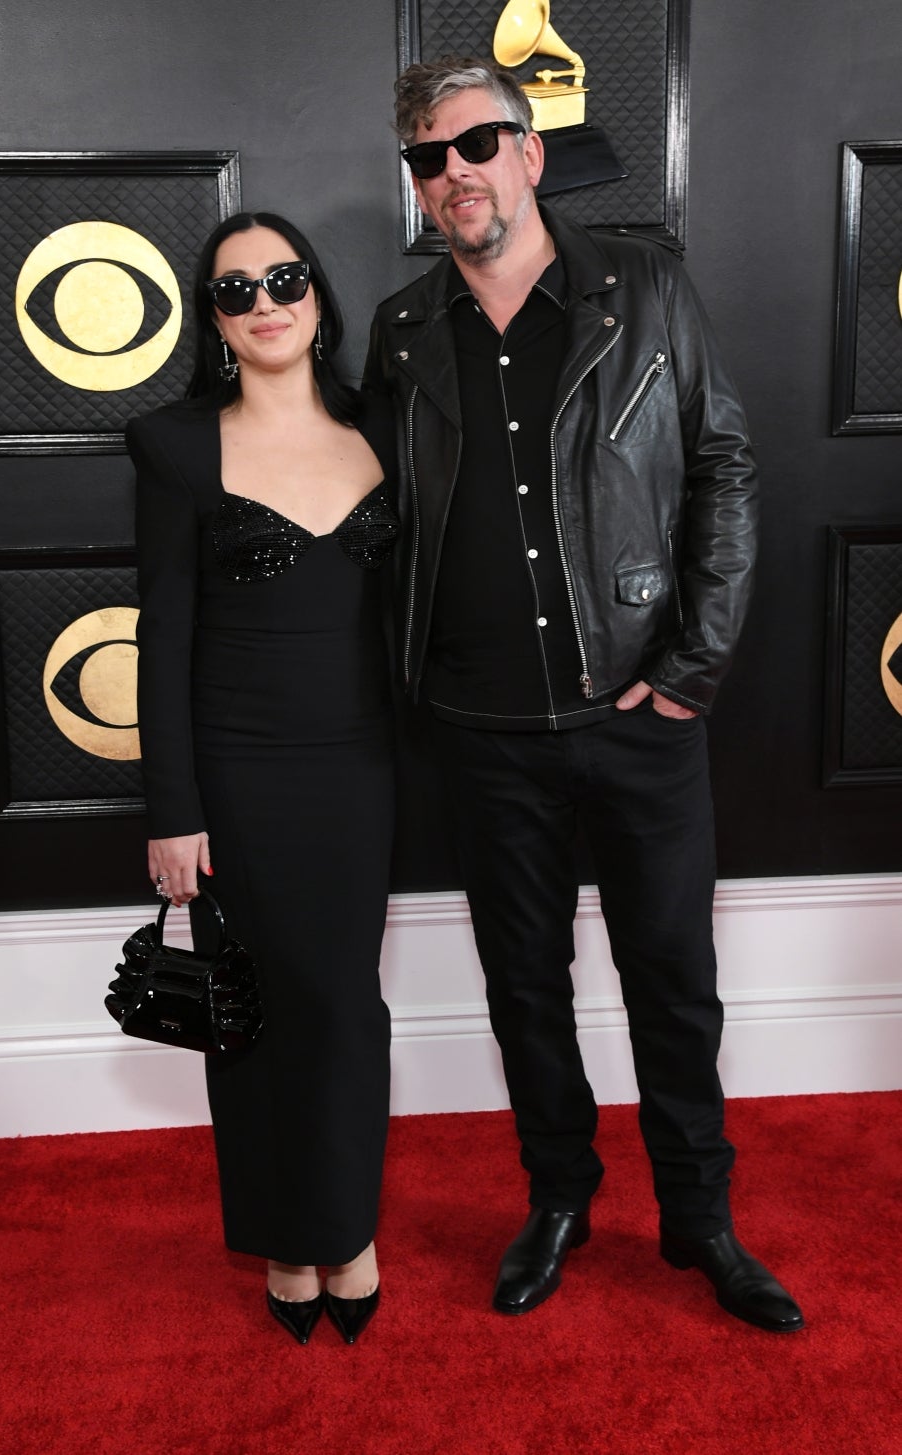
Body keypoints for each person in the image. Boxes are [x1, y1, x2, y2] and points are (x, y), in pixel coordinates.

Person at [365, 58, 804, 1333]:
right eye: (429, 158)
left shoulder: (644, 288)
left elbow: (724, 467)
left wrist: (689, 672)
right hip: (482, 736)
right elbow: (380, 515)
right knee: (524, 990)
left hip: (638, 722)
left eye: (478, 145)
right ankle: (557, 1198)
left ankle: (700, 1221)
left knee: (673, 983)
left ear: (530, 154)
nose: (455, 172)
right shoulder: (403, 333)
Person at [128, 210, 398, 1346]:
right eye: (236, 290)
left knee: (344, 1007)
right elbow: (163, 636)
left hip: (364, 769)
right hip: (236, 773)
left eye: (284, 278)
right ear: (216, 323)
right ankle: (287, 1242)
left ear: (320, 296)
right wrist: (173, 811)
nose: (266, 301)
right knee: (251, 1016)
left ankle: (348, 1229)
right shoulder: (178, 445)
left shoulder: (388, 426)